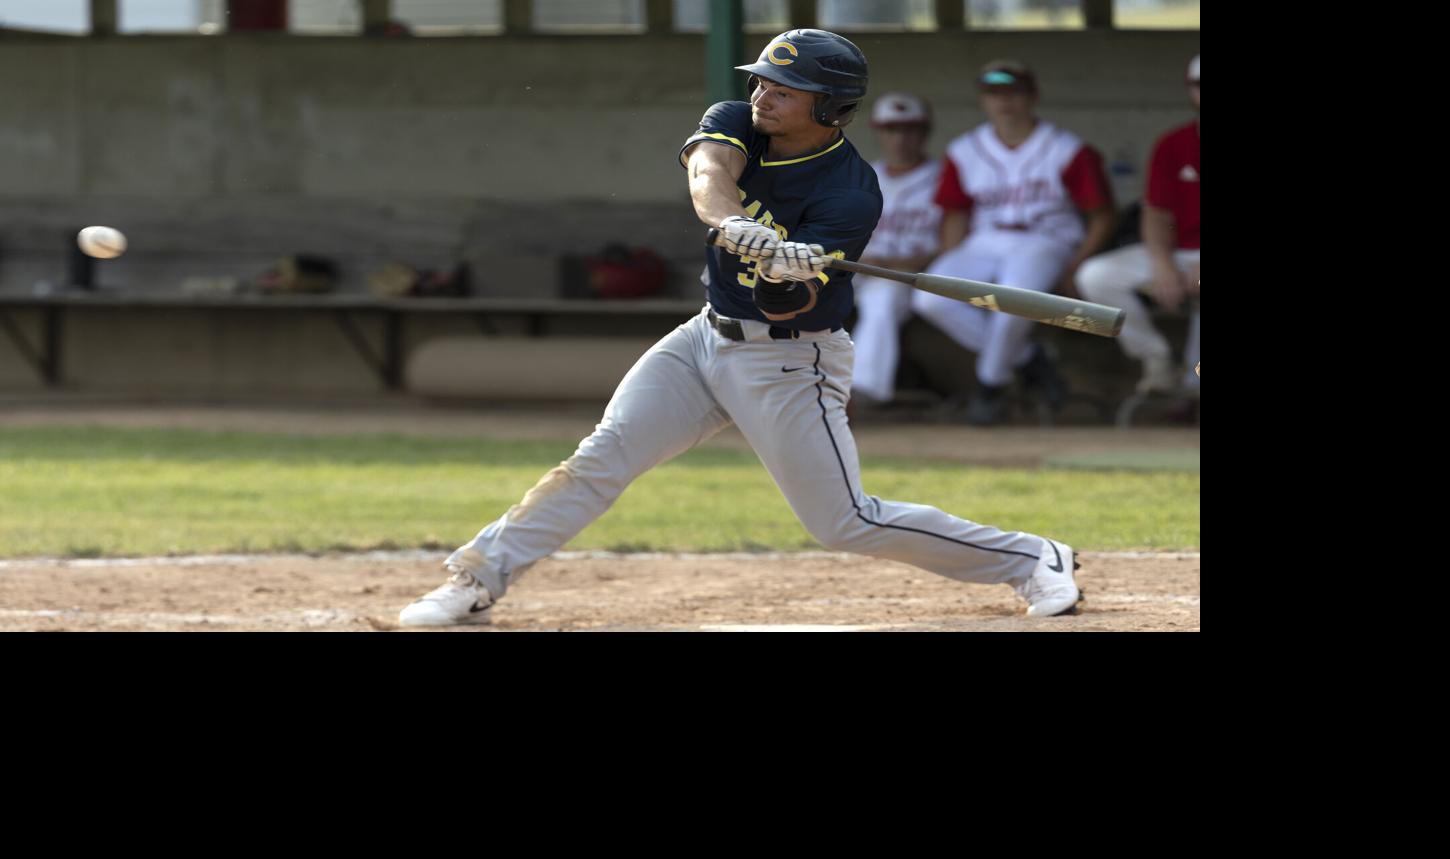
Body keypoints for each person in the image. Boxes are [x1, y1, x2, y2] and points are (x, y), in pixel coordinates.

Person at [398, 29, 1083, 627]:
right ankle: (476, 580)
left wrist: (790, 269)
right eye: (763, 81)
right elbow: (707, 174)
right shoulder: (736, 121)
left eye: (785, 89)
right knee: (599, 459)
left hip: (790, 360)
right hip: (702, 338)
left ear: (827, 106)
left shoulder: (850, 191)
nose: (763, 95)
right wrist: (737, 225)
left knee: (844, 521)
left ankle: (1031, 557)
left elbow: (791, 308)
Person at [910, 60, 1118, 425]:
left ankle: (990, 386)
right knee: (929, 299)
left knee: (1013, 304)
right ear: (982, 99)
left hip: (1045, 240)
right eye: (994, 93)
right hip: (985, 241)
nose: (1003, 102)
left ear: (1032, 97)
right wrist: (952, 263)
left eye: (1013, 93)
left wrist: (1075, 266)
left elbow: (1102, 213)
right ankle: (1027, 359)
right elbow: (955, 215)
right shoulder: (965, 150)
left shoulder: (1065, 148)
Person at [1076, 54, 1201, 398]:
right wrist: (1162, 267)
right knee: (1096, 275)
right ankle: (1158, 357)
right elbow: (1156, 214)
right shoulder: (1173, 144)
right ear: (1190, 90)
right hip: (1177, 253)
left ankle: (1193, 383)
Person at [850, 92, 944, 406]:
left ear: (925, 132)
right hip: (860, 268)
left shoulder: (943, 178)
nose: (900, 138)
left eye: (909, 129)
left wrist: (914, 261)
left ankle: (864, 390)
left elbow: (957, 241)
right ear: (878, 131)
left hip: (912, 275)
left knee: (883, 297)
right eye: (892, 129)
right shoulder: (860, 176)